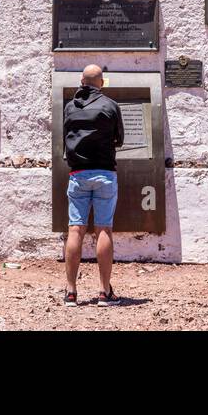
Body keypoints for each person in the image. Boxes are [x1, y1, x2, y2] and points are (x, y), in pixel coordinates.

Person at [62, 64, 125, 305]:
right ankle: (104, 292)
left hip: (77, 174)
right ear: (101, 82)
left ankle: (70, 291)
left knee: (75, 229)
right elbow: (120, 138)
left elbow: (64, 137)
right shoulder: (110, 105)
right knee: (103, 230)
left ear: (81, 81)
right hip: (105, 174)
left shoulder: (70, 106)